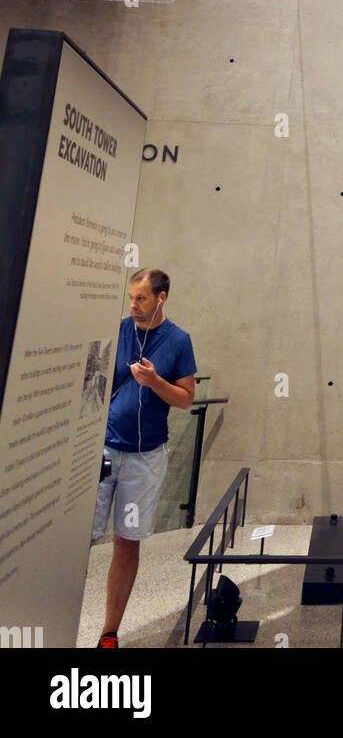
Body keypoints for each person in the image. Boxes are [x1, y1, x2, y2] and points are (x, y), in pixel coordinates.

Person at [91, 268, 196, 647]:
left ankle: (109, 632)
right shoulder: (116, 330)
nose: (133, 305)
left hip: (145, 460)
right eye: (131, 298)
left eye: (142, 298)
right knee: (79, 539)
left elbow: (185, 399)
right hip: (101, 452)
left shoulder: (178, 340)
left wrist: (155, 382)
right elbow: (90, 382)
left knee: (126, 542)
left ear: (161, 298)